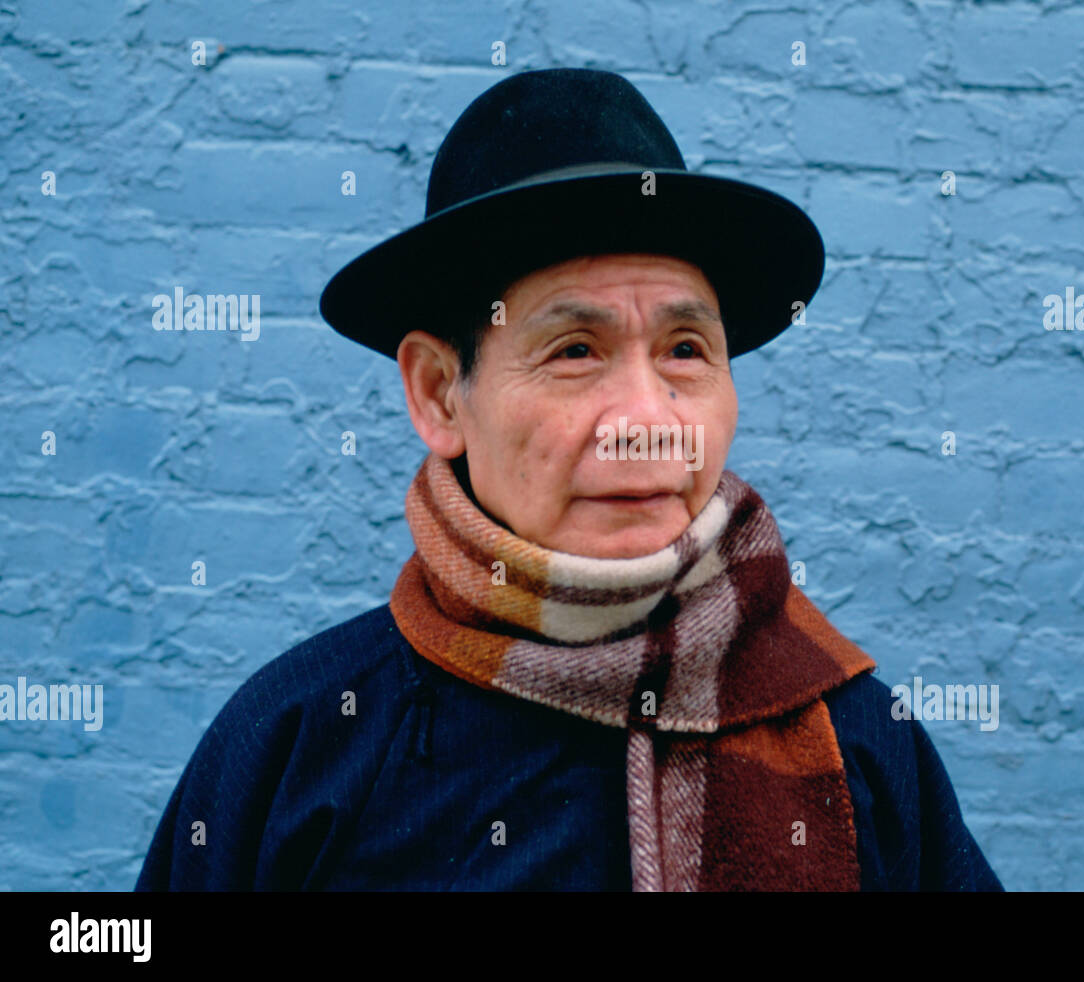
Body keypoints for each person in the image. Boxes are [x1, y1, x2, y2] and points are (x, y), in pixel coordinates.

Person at [135, 67, 1002, 892]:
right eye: (575, 351)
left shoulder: (857, 745)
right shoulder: (302, 746)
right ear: (441, 394)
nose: (645, 423)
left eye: (686, 351)